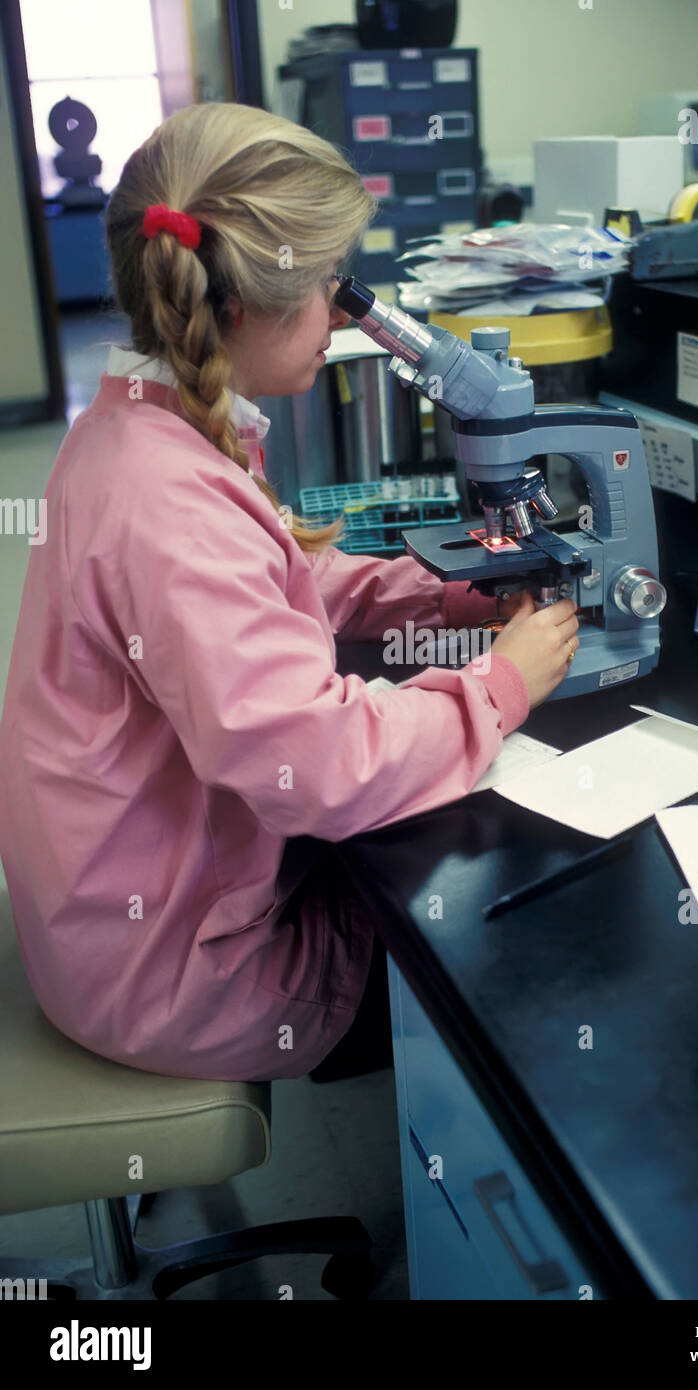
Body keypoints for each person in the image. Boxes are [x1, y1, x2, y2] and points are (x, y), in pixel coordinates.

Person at [0, 103, 579, 1084]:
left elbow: (277, 580)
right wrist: (499, 687)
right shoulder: (167, 501)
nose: (346, 314)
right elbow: (312, 768)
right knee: (525, 941)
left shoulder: (137, 427)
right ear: (238, 306)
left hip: (108, 918)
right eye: (326, 287)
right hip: (177, 979)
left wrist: (440, 598)